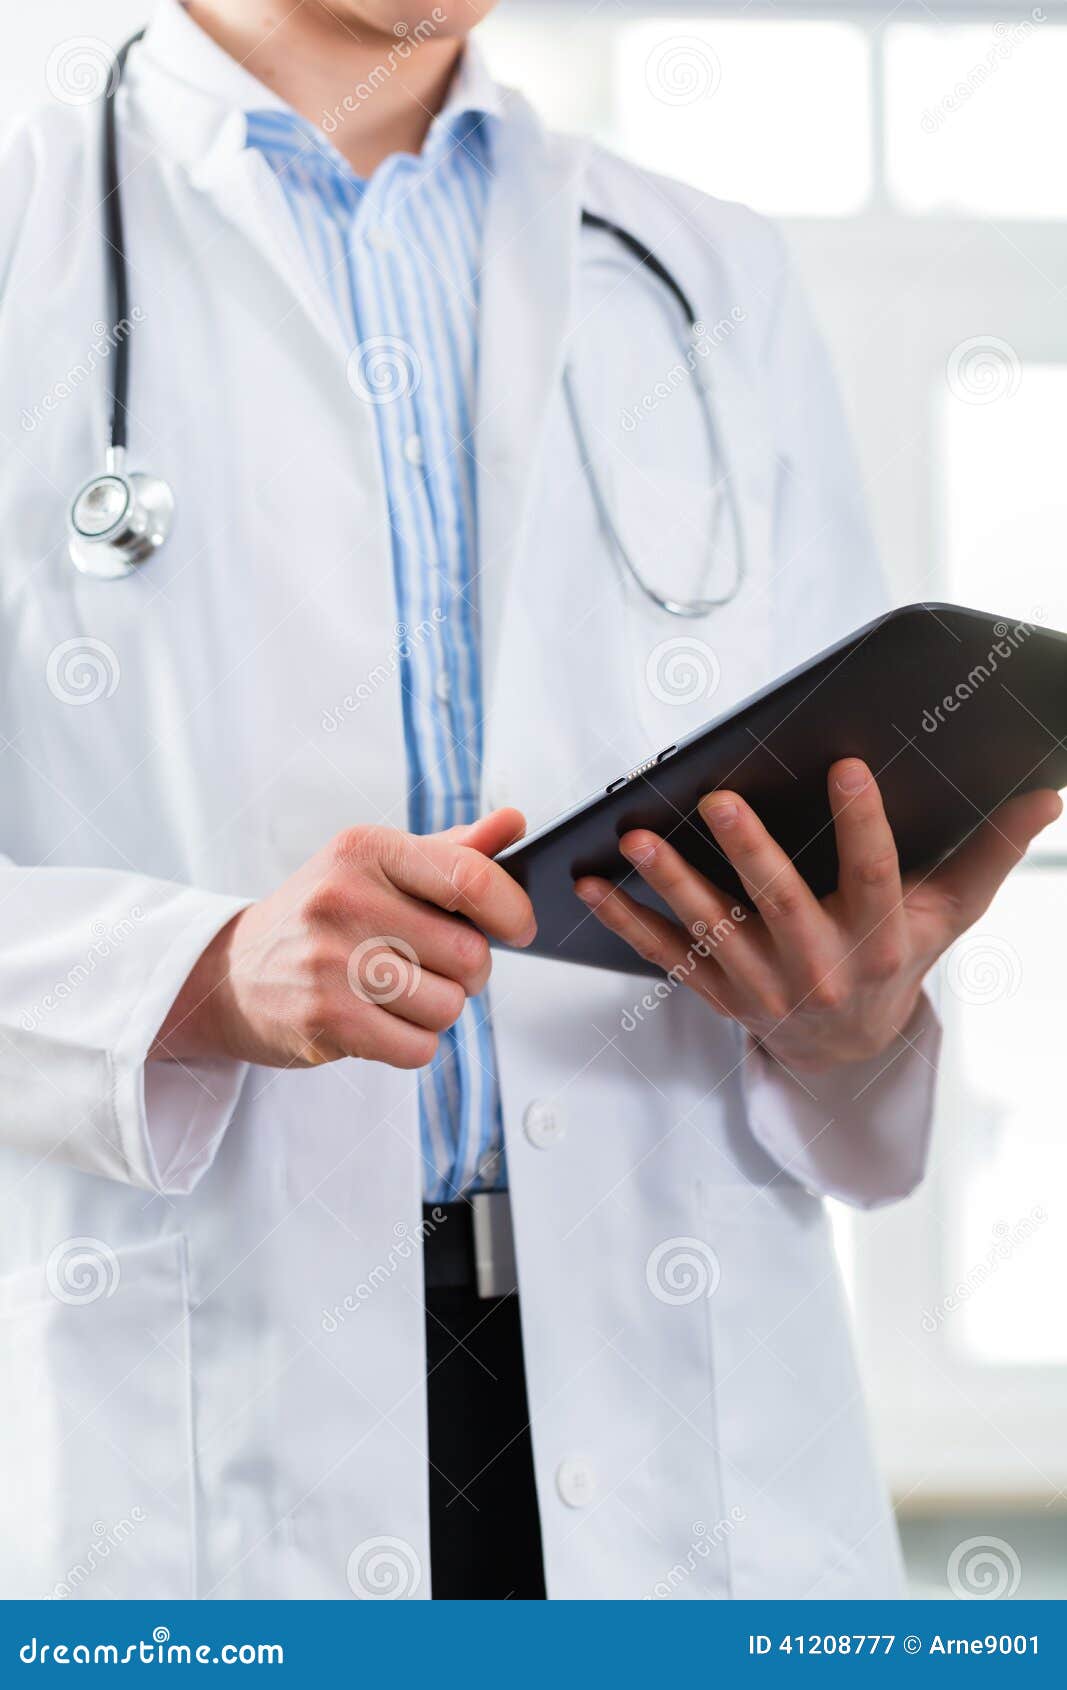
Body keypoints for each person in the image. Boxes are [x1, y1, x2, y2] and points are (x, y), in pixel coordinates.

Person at [0, 0, 1057, 1601]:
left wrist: (852, 1015)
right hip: (195, 1437)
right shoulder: (31, 237)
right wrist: (200, 976)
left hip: (680, 1421)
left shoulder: (709, 270)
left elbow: (837, 851)